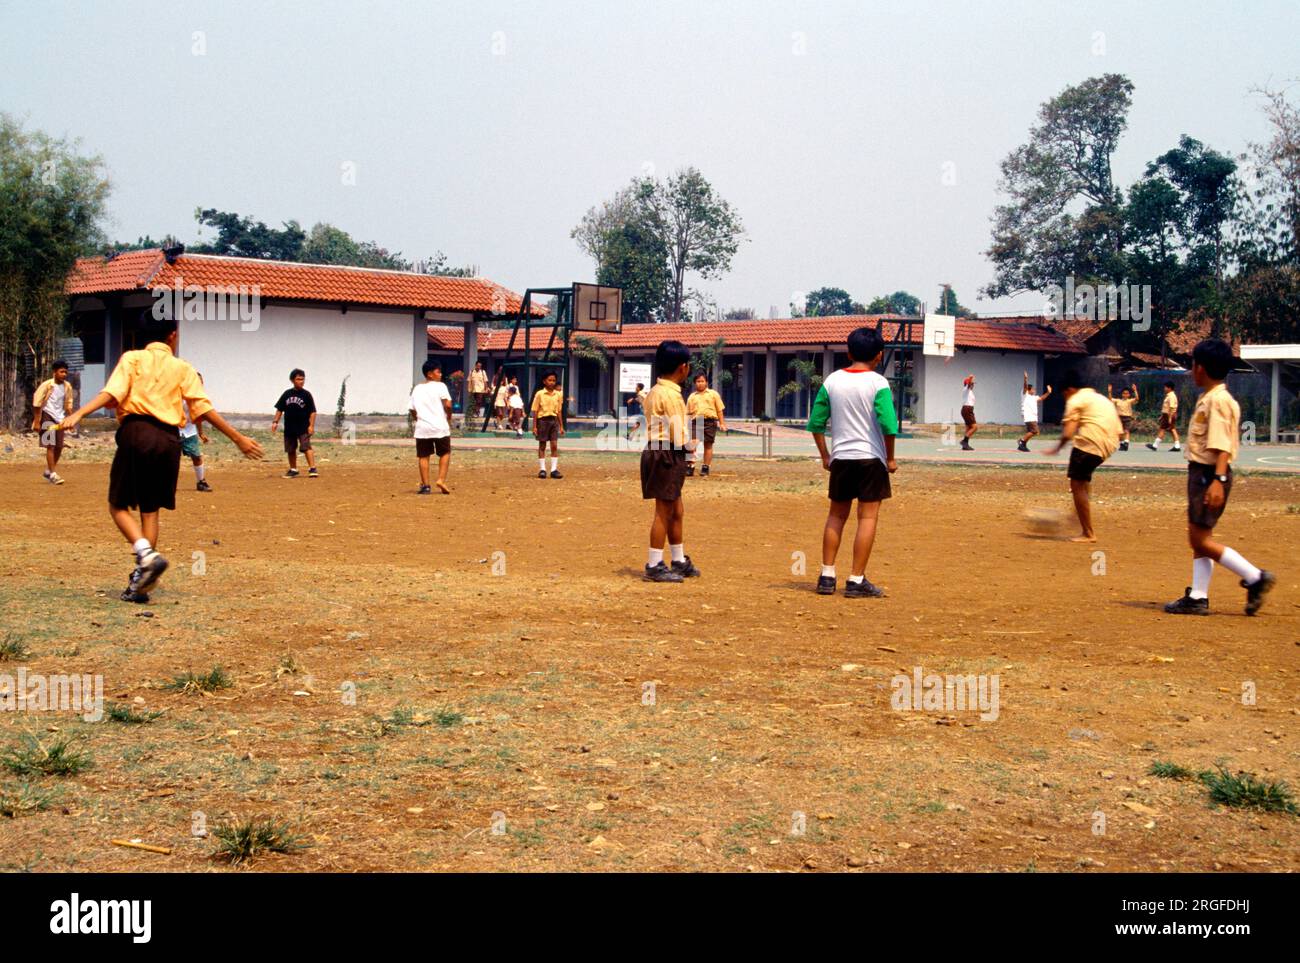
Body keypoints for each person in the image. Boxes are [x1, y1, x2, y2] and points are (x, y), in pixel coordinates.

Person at [57, 317, 263, 602]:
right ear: (172, 335)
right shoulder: (183, 367)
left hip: (137, 432)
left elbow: (112, 393)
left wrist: (79, 414)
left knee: (117, 504)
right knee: (150, 510)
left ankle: (145, 555)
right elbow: (203, 408)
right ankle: (140, 579)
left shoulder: (132, 358)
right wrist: (237, 438)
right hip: (169, 440)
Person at [1164, 339, 1275, 616]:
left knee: (1200, 541)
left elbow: (1222, 445)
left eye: (1192, 365)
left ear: (1200, 368)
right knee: (1199, 536)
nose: (1191, 370)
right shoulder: (1211, 397)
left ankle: (1254, 577)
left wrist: (1218, 481)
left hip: (1209, 474)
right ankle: (1199, 595)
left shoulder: (1218, 401)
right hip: (1203, 474)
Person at [807, 327, 898, 598]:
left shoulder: (832, 381)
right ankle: (856, 579)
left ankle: (826, 575)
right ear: (879, 356)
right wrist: (891, 458)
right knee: (867, 517)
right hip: (870, 458)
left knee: (836, 515)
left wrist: (826, 455)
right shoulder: (878, 383)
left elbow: (816, 423)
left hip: (842, 458)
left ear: (848, 352)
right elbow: (888, 425)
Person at [640, 340, 698, 582]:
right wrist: (690, 449)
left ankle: (678, 559)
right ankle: (654, 564)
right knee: (663, 511)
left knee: (677, 510)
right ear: (683, 367)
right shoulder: (672, 395)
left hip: (657, 451)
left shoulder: (654, 391)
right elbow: (677, 430)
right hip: (667, 453)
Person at [1043, 370, 1122, 543]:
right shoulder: (1098, 397)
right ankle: (1077, 513)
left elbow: (1068, 432)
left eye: (1064, 394)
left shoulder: (1075, 400)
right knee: (1083, 480)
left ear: (1069, 389)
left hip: (1090, 441)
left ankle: (1088, 532)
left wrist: (1056, 448)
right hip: (1110, 443)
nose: (1065, 398)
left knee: (1077, 483)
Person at [409, 360, 453, 495]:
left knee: (423, 456)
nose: (441, 374)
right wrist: (449, 417)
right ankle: (441, 480)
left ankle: (426, 486)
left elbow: (412, 408)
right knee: (445, 453)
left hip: (422, 427)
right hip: (440, 426)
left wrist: (418, 419)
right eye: (438, 372)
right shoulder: (441, 386)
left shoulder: (417, 388)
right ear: (430, 374)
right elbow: (448, 405)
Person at [32, 358, 75, 485]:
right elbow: (37, 403)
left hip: (59, 418)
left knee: (59, 446)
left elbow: (68, 404)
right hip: (47, 415)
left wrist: (71, 419)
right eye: (62, 372)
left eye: (66, 372)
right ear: (55, 372)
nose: (64, 374)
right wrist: (37, 421)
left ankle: (49, 471)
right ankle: (53, 474)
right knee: (50, 445)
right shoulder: (46, 385)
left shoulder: (67, 386)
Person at [271, 369, 318, 478]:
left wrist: (311, 426)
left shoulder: (307, 395)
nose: (301, 381)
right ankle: (293, 469)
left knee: (306, 447)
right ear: (292, 380)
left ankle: (312, 468)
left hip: (303, 427)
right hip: (290, 427)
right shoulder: (287, 394)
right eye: (298, 379)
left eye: (302, 379)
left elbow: (313, 412)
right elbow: (279, 409)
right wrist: (275, 422)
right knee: (290, 449)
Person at [686, 374, 727, 477]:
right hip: (696, 421)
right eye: (698, 381)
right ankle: (690, 466)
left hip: (710, 421)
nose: (700, 383)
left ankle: (706, 467)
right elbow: (688, 413)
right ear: (695, 383)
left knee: (708, 445)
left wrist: (722, 423)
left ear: (707, 382)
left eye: (702, 381)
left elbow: (719, 410)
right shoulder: (692, 396)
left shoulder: (713, 394)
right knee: (692, 444)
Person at [180, 376, 212, 492]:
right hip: (173, 430)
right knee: (168, 458)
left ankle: (201, 482)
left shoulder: (199, 399)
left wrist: (201, 433)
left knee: (197, 456)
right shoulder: (177, 395)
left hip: (189, 430)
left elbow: (198, 416)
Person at [530, 371, 565, 478]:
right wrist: (534, 426)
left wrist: (561, 426)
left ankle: (554, 470)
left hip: (553, 421)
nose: (551, 382)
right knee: (542, 445)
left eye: (553, 380)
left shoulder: (558, 394)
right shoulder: (539, 394)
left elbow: (559, 411)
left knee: (554, 445)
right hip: (542, 421)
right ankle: (542, 469)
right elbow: (535, 410)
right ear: (544, 381)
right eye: (549, 380)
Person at [1017, 372, 1052, 452]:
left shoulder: (1034, 397)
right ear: (1029, 390)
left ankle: (1023, 444)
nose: (1034, 390)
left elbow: (1041, 398)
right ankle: (1021, 441)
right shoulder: (1025, 394)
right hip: (1028, 416)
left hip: (1033, 416)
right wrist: (1025, 379)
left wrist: (1048, 393)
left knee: (1031, 431)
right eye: (1033, 389)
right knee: (1035, 431)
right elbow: (1025, 386)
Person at [1148, 381, 1181, 451]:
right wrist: (1162, 416)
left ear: (1169, 388)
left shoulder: (1171, 396)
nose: (1164, 388)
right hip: (1167, 415)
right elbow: (1166, 407)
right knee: (1171, 429)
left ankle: (1155, 445)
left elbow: (1171, 407)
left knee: (1164, 429)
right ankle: (1177, 446)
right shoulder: (1169, 395)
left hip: (1169, 415)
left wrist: (1169, 418)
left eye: (1165, 387)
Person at [1108, 382, 1139, 452]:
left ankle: (1126, 443)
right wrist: (1110, 392)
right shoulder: (1118, 401)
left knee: (1126, 430)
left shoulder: (1129, 401)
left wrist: (1135, 390)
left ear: (1129, 395)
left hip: (1127, 417)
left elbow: (1137, 399)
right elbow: (1110, 399)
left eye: (1127, 393)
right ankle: (1122, 444)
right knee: (1120, 432)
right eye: (1124, 393)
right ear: (1122, 394)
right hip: (1119, 418)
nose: (1125, 395)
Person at [959, 375, 977, 450]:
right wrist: (970, 378)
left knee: (968, 427)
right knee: (974, 427)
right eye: (972, 384)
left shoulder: (969, 392)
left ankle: (965, 445)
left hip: (968, 409)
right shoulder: (966, 389)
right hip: (967, 409)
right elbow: (968, 383)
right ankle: (964, 441)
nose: (973, 385)